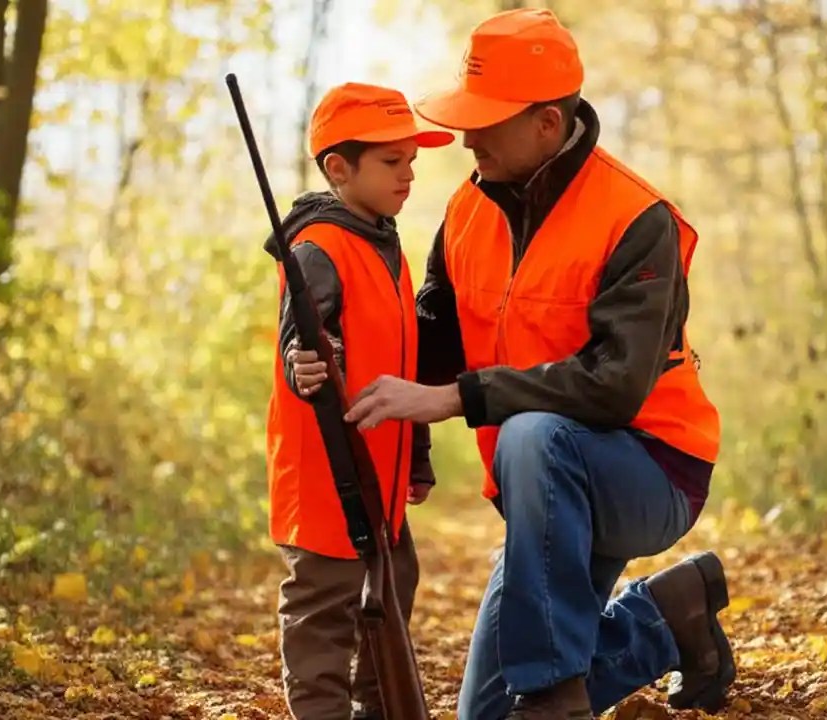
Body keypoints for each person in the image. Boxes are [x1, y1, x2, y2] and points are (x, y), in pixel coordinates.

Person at [338, 9, 737, 719]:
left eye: (486, 121)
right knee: (485, 717)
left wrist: (455, 400)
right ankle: (666, 619)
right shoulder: (466, 209)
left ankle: (556, 695)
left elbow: (613, 389)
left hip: (650, 471)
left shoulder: (636, 218)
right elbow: (430, 338)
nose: (466, 138)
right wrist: (337, 253)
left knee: (531, 433)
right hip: (546, 495)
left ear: (547, 125)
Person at [263, 81, 454, 720]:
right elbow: (306, 341)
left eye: (412, 161)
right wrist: (307, 365)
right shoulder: (318, 248)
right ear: (339, 168)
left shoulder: (384, 240)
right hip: (328, 480)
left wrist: (417, 455)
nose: (409, 174)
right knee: (324, 614)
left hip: (382, 478)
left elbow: (407, 363)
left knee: (392, 600)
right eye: (392, 162)